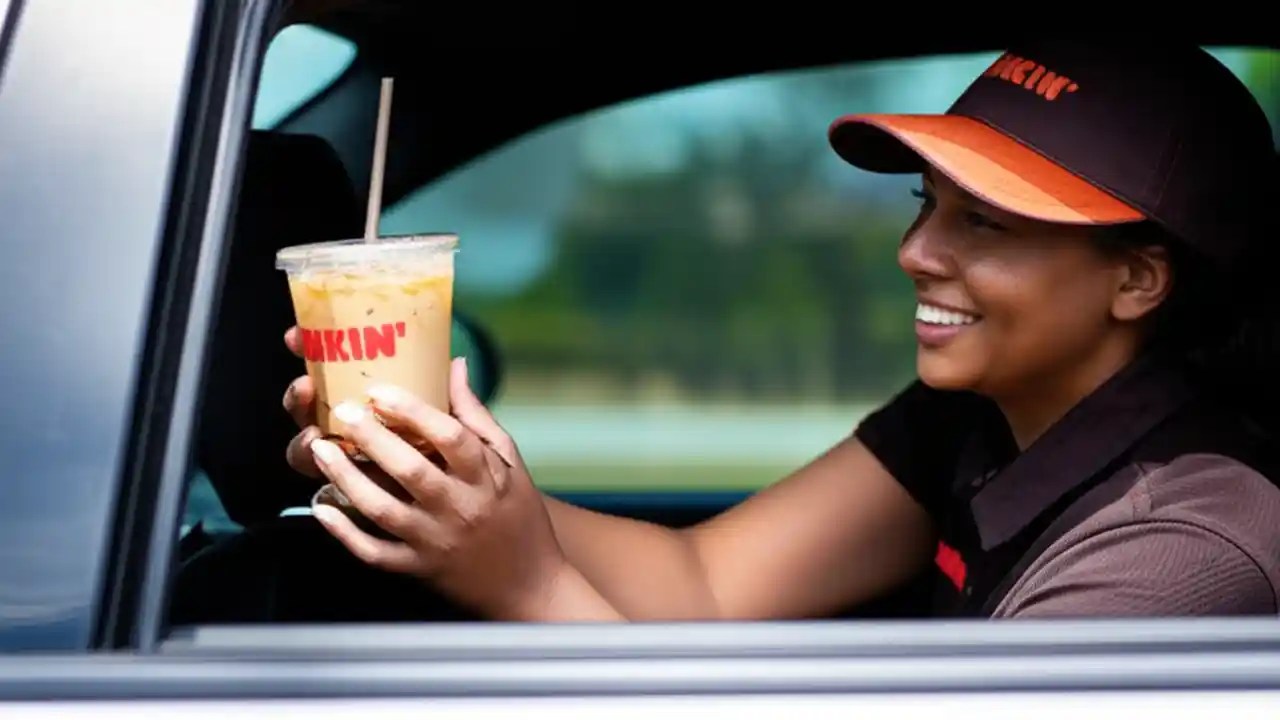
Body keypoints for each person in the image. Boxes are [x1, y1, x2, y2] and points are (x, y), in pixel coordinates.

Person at [280, 39, 1280, 620]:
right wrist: (438, 480)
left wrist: (529, 585)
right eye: (921, 206)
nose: (915, 253)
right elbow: (705, 583)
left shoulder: (1182, 550)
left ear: (1138, 280)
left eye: (982, 222)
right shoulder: (983, 414)